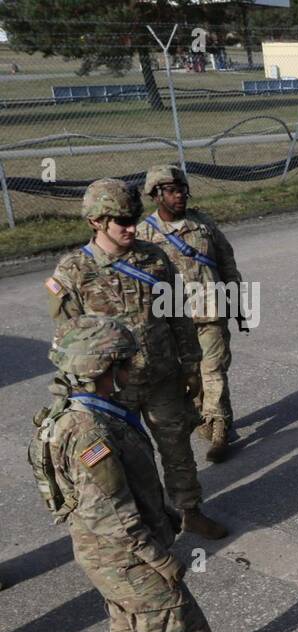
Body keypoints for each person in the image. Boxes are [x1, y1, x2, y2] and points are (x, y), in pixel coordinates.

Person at [33, 316, 252, 632]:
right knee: (184, 631)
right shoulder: (90, 433)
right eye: (124, 364)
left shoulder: (72, 414)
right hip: (127, 557)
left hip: (99, 556)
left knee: (127, 625)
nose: (132, 371)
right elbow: (112, 513)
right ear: (101, 371)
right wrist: (159, 559)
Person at [47, 178, 227, 540]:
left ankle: (190, 510)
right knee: (128, 463)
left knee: (178, 450)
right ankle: (144, 522)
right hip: (112, 390)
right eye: (122, 222)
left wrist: (191, 364)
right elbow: (69, 345)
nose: (132, 228)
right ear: (96, 222)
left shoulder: (153, 257)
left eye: (134, 219)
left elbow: (178, 314)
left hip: (163, 376)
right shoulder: (73, 273)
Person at [137, 163, 245, 462]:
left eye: (182, 189)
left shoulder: (203, 224)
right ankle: (203, 415)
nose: (180, 196)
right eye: (171, 191)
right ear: (156, 195)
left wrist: (235, 294)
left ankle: (220, 424)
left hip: (211, 308)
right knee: (191, 372)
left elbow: (226, 259)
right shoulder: (144, 234)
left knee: (214, 368)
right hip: (172, 316)